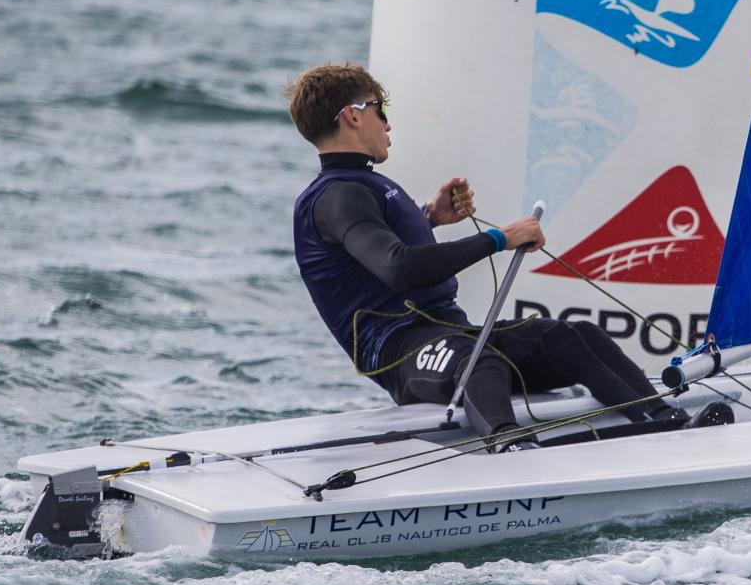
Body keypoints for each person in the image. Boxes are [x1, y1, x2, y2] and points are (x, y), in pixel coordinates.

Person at [286, 61, 686, 450]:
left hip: (448, 331)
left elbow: (373, 250)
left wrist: (429, 218)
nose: (387, 123)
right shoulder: (336, 196)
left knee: (574, 338)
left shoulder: (359, 186)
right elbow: (398, 267)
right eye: (380, 110)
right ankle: (510, 449)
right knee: (480, 363)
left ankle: (665, 422)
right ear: (353, 117)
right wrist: (499, 239)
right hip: (397, 353)